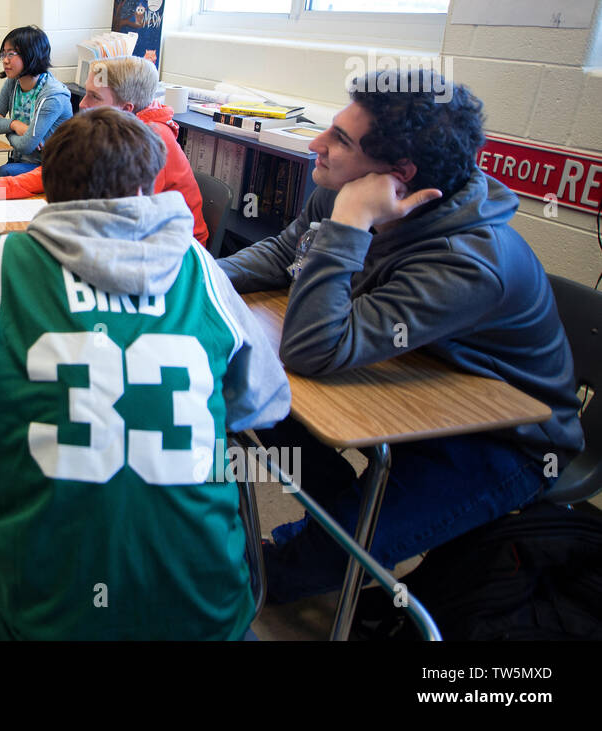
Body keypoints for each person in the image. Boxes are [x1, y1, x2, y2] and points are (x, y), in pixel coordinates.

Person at [0, 108, 291, 640]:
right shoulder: (199, 264)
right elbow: (266, 404)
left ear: (47, 186)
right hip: (208, 613)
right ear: (147, 186)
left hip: (37, 618)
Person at [217, 68, 584, 603]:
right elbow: (281, 255)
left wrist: (348, 226)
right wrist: (195, 278)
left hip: (504, 442)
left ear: (398, 175)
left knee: (320, 553)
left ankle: (308, 553)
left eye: (339, 140)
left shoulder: (468, 263)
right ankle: (353, 507)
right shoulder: (343, 189)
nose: (317, 145)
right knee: (249, 398)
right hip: (415, 384)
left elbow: (313, 347)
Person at [0, 56, 209, 248]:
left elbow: (125, 222)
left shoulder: (151, 141)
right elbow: (56, 171)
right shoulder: (111, 129)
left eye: (94, 96)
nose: (82, 104)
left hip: (172, 255)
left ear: (125, 108)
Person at [0, 26, 71, 177]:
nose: (5, 60)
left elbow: (26, 145)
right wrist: (15, 125)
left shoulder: (53, 95)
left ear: (31, 54)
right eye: (3, 54)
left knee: (2, 177)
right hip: (20, 163)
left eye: (11, 54)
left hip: (51, 169)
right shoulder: (13, 83)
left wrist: (7, 129)